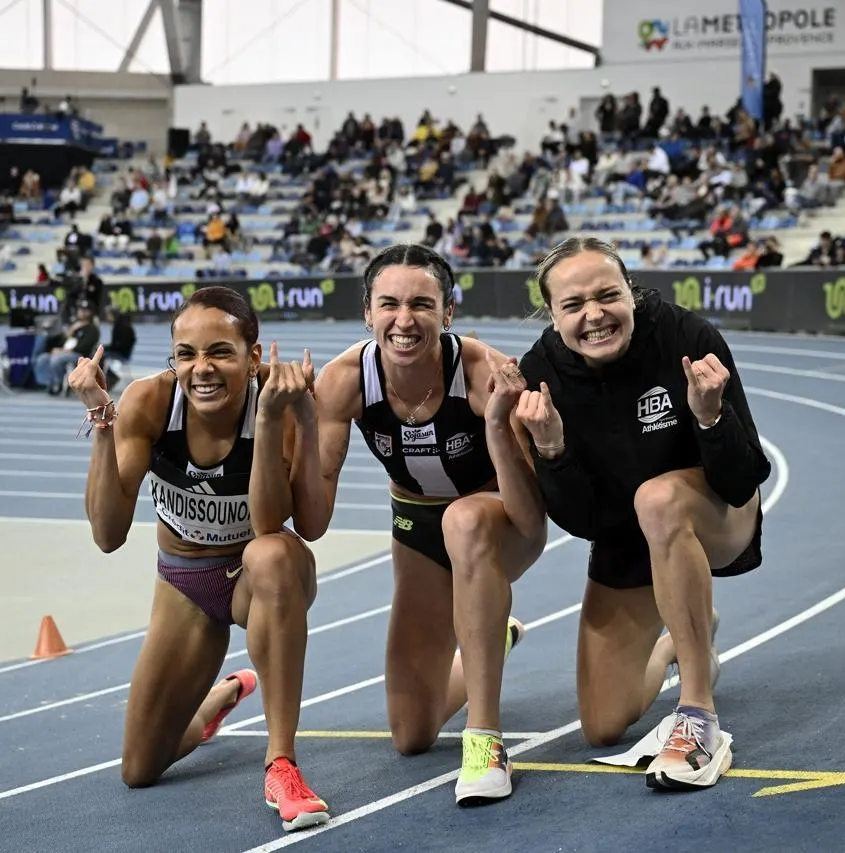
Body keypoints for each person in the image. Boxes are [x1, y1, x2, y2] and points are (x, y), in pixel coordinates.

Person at [491, 236, 770, 792]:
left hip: (714, 513)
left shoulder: (688, 337)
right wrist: (552, 451)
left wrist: (711, 420)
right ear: (552, 313)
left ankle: (698, 717)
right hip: (623, 537)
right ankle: (685, 638)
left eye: (607, 295)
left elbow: (742, 479)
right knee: (602, 725)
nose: (595, 315)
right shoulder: (544, 370)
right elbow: (585, 523)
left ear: (631, 294)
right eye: (573, 306)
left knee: (657, 500)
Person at [67, 286, 331, 832]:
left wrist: (270, 423)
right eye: (186, 354)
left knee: (272, 553)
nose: (201, 369)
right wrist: (100, 417)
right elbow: (108, 535)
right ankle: (219, 699)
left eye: (220, 353)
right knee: (140, 769)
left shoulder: (279, 402)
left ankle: (281, 763)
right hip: (184, 584)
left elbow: (278, 525)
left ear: (253, 357)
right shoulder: (150, 403)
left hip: (255, 578)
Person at [300, 243, 547, 806]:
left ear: (448, 312)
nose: (404, 321)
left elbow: (532, 516)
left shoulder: (487, 373)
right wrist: (290, 421)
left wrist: (496, 428)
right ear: (367, 313)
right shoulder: (343, 382)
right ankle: (491, 638)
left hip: (498, 521)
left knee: (463, 520)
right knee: (411, 736)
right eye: (388, 305)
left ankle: (485, 741)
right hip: (414, 523)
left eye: (421, 304)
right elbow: (313, 524)